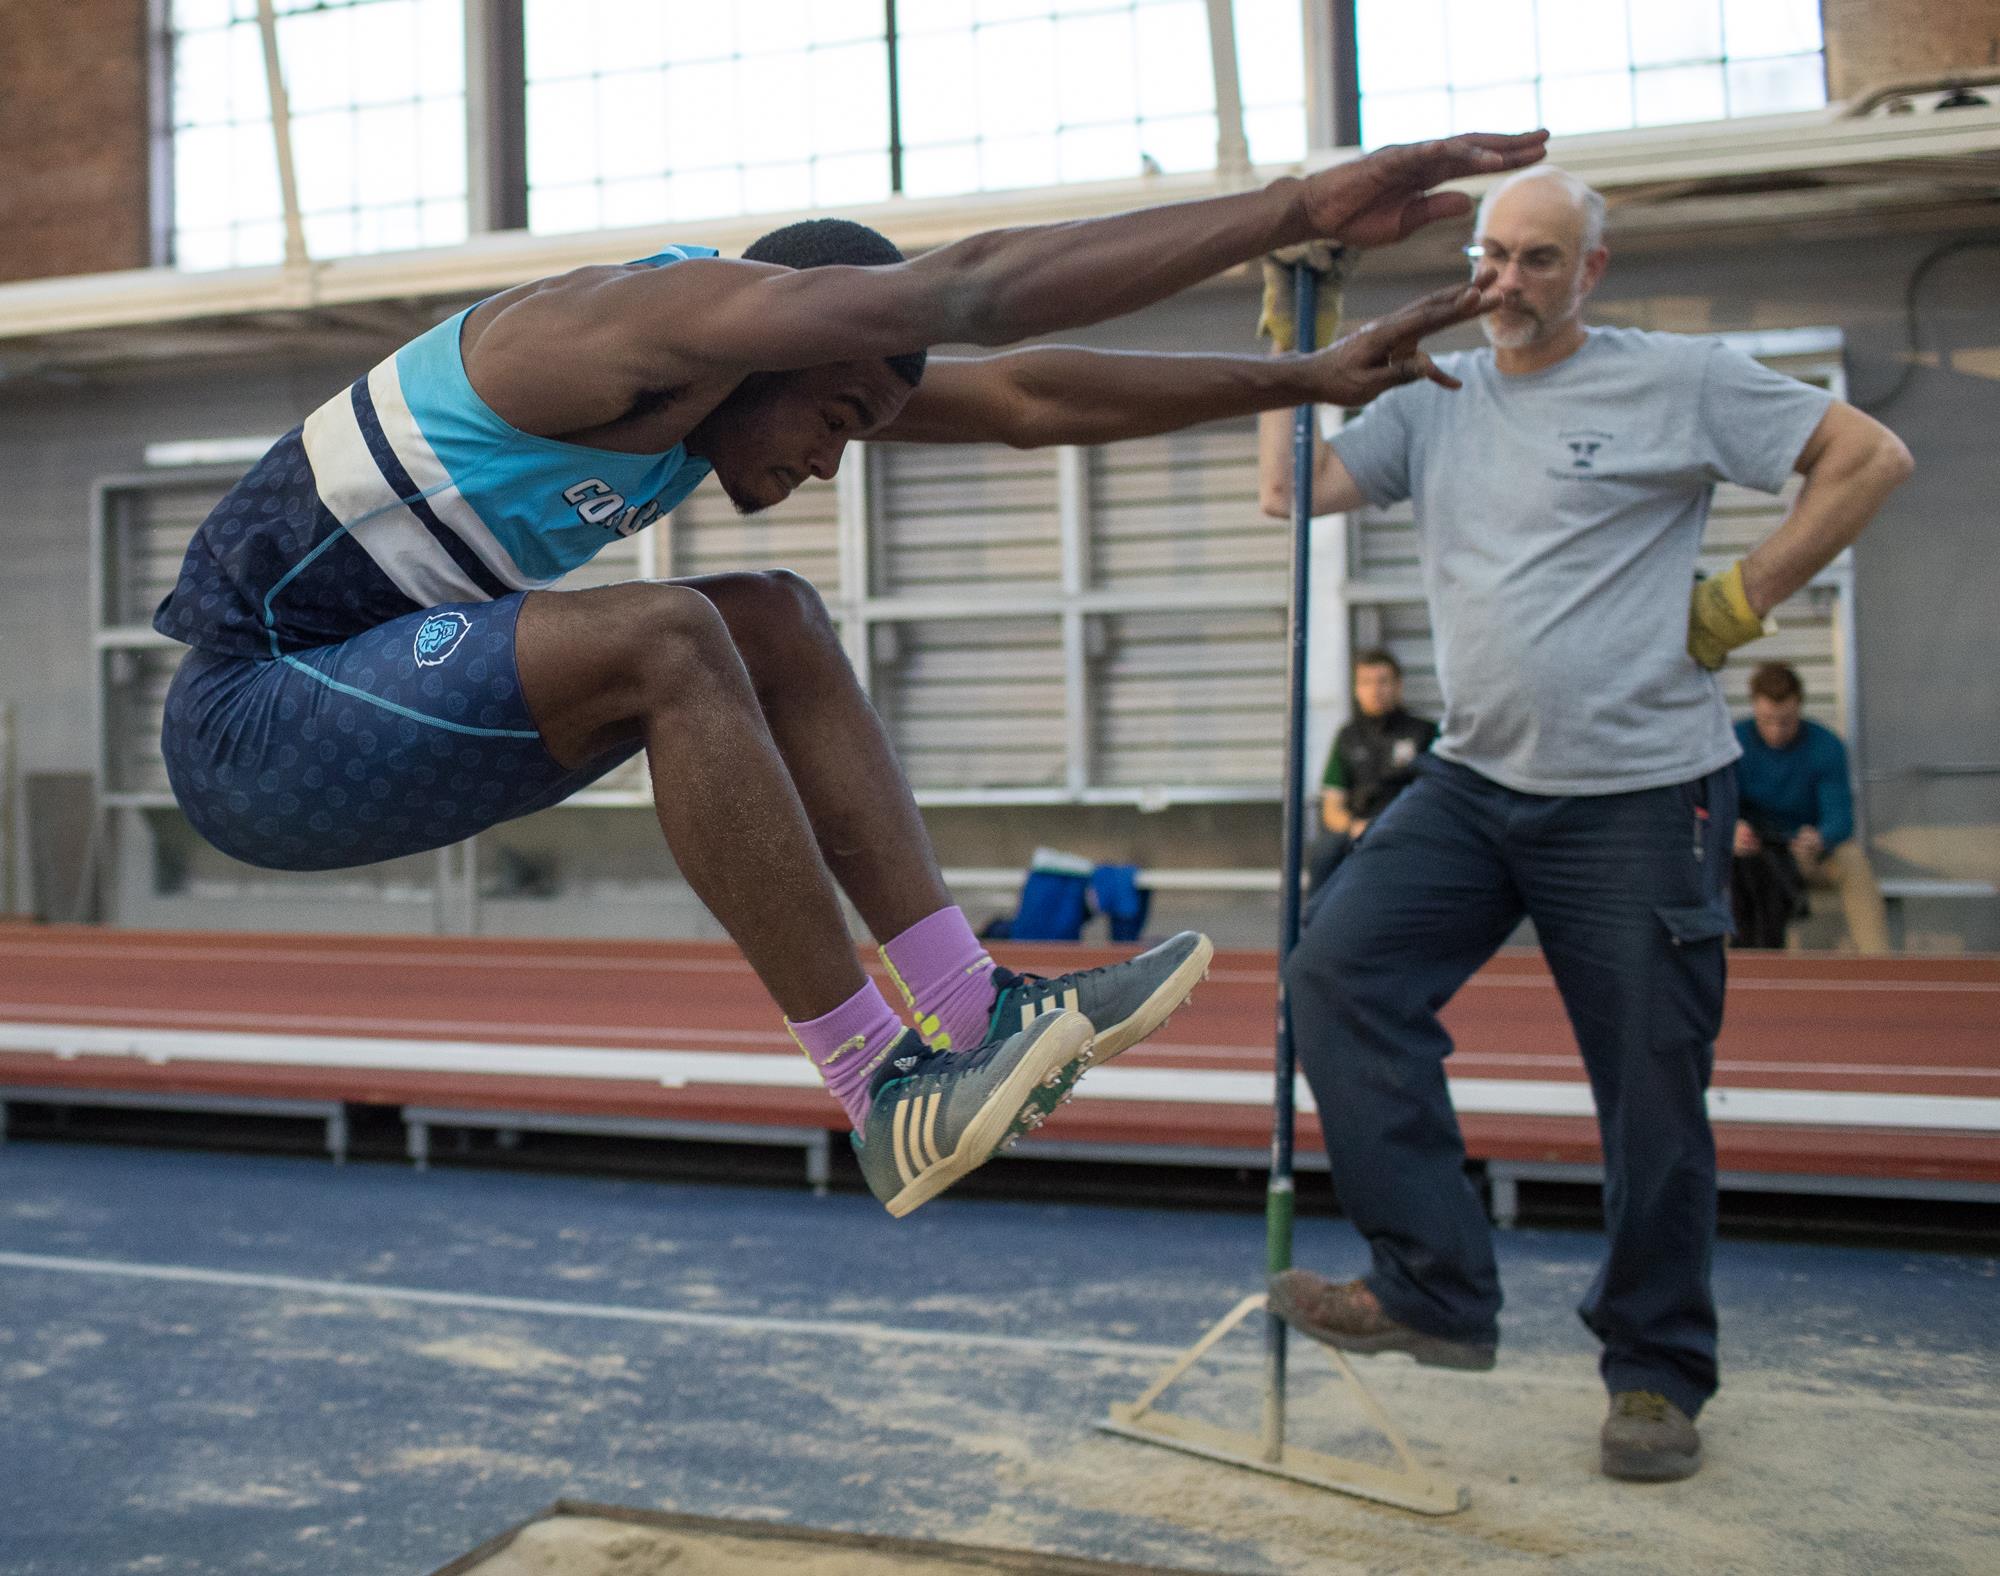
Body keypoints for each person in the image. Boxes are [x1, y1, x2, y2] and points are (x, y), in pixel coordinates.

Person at [151, 132, 1553, 1219]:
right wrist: (1295, 212)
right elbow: (983, 293)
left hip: (358, 690)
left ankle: (968, 1008)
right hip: (248, 721)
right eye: (835, 417)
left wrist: (1301, 386)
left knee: (773, 614)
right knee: (673, 634)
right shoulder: (626, 333)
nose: (832, 458)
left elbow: (1021, 398)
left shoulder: (741, 386)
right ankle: (881, 1086)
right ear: (789, 339)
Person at [1253, 165, 1913, 1480]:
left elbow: (1868, 455)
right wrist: (1283, 352)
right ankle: (1436, 1286)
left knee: (1651, 1097)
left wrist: (1742, 599)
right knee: (1337, 973)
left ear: (1592, 271)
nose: (1504, 282)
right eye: (1491, 256)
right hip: (1475, 782)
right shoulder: (1438, 397)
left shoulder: (1680, 379)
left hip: (1643, 792)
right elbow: (1293, 493)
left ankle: (1656, 1375)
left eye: (1539, 260)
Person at [1731, 662, 1889, 953]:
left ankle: (1877, 962)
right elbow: (1710, 806)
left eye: (1786, 721)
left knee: (1852, 860)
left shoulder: (1825, 745)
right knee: (1710, 864)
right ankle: (1719, 966)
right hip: (1750, 855)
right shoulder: (1731, 742)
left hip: (1802, 852)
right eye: (1766, 720)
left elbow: (1841, 818)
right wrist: (1732, 829)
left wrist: (1820, 837)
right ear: (1753, 707)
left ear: (1800, 707)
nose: (1776, 730)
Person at [1304, 649, 1436, 901]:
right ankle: (1314, 928)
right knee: (1325, 853)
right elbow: (1331, 808)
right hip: (1359, 828)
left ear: (1398, 686)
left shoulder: (1425, 733)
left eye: (1383, 681)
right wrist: (1355, 827)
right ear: (1356, 689)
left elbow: (1439, 796)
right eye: (1366, 682)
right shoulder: (1347, 737)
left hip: (1409, 827)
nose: (1375, 690)